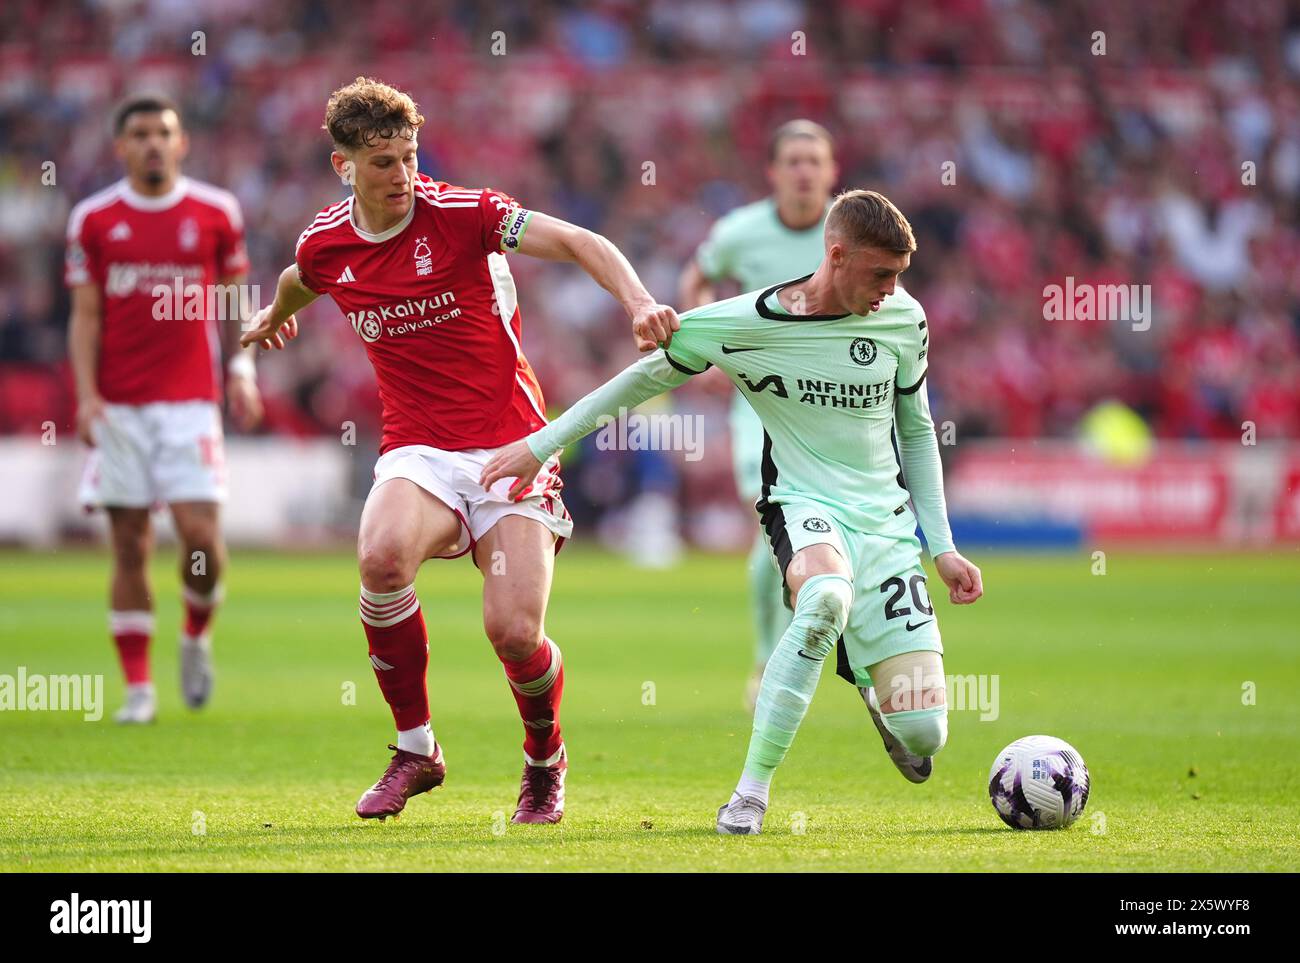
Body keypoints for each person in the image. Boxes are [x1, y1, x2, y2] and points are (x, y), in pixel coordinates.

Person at [240, 77, 679, 824]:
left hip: (513, 446)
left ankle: (544, 759)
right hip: (418, 450)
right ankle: (416, 749)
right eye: (381, 162)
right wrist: (273, 313)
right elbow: (303, 276)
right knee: (379, 557)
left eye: (408, 156)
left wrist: (638, 301)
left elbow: (578, 241)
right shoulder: (327, 241)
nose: (402, 175)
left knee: (514, 633)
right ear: (343, 166)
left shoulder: (463, 213)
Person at [482, 190, 983, 835]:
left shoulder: (902, 318)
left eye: (898, 277)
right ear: (837, 256)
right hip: (801, 504)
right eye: (881, 274)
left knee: (924, 732)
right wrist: (541, 443)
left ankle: (862, 671)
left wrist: (940, 545)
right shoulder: (745, 322)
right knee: (825, 597)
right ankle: (749, 794)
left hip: (886, 523)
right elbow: (637, 382)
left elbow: (916, 432)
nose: (891, 289)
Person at [66, 94, 263, 724]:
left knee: (202, 540)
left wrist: (241, 368)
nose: (153, 143)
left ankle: (195, 635)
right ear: (120, 146)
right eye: (140, 134)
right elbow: (86, 314)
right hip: (121, 406)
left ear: (181, 143)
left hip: (190, 405)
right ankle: (140, 690)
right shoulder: (93, 219)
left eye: (164, 133)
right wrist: (87, 395)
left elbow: (237, 301)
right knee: (129, 545)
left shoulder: (215, 212)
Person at [678, 119, 837, 711]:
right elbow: (697, 276)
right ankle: (768, 659)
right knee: (769, 512)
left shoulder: (846, 232)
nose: (803, 171)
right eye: (792, 160)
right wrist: (707, 345)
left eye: (813, 160)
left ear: (831, 171)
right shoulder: (740, 231)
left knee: (838, 526)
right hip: (761, 401)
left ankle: (855, 654)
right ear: (772, 172)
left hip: (834, 403)